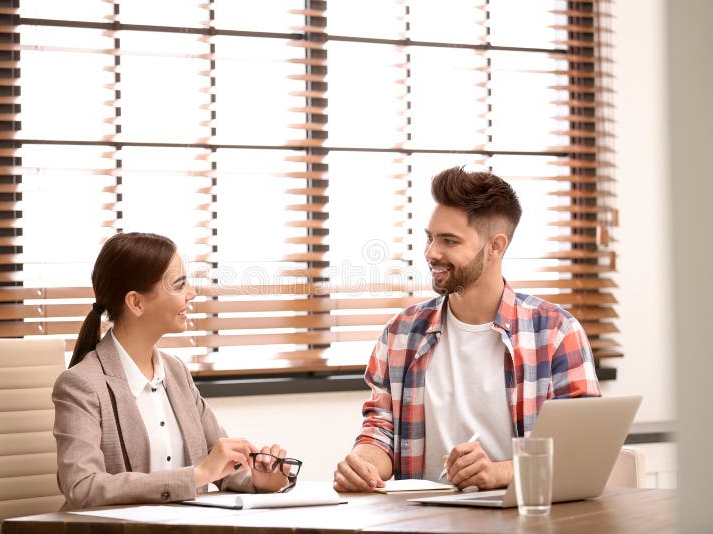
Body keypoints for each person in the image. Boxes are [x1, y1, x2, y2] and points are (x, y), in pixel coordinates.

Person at [333, 167, 601, 493]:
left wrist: (498, 473)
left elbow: (581, 453)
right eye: (430, 238)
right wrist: (363, 463)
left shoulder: (556, 333)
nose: (431, 252)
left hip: (520, 523)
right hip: (421, 523)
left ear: (495, 247)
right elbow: (381, 431)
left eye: (449, 241)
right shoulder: (401, 334)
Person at [53, 232, 297, 509]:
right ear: (136, 303)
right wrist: (197, 476)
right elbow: (82, 486)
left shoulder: (176, 371)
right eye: (180, 285)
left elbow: (216, 460)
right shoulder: (82, 384)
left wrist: (259, 478)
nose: (191, 293)